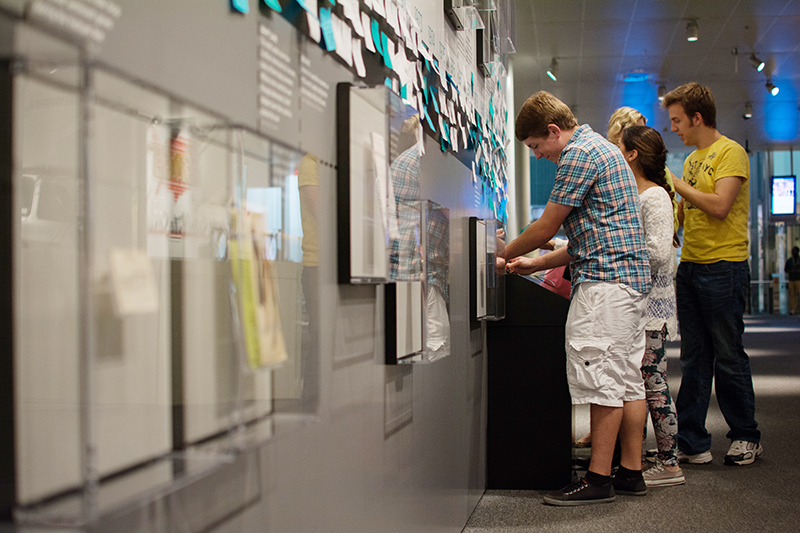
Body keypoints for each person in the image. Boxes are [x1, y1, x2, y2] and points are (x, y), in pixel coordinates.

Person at [499, 91, 651, 505]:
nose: (536, 156)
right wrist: (535, 264)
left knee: (601, 380)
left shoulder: (579, 154)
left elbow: (547, 225)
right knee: (625, 379)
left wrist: (503, 253)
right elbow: (590, 235)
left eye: (535, 147)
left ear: (553, 131)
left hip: (606, 284)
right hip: (627, 282)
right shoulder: (601, 148)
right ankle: (630, 472)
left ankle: (598, 480)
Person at [662, 82, 762, 466]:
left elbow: (720, 206)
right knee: (694, 357)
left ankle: (746, 435)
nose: (674, 128)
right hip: (692, 266)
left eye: (677, 120)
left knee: (728, 355)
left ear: (697, 118)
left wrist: (678, 185)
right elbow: (687, 213)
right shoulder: (691, 159)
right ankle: (692, 440)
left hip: (725, 267)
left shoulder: (730, 152)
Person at [617, 125, 684, 487]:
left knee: (654, 385)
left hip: (651, 308)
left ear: (633, 154)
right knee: (639, 384)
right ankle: (637, 458)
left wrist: (618, 256)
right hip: (637, 305)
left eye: (619, 146)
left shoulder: (654, 196)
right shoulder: (637, 193)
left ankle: (670, 463)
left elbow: (660, 255)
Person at [785, 246, 800, 315]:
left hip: (798, 279)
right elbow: (786, 270)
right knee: (792, 295)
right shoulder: (789, 260)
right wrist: (791, 271)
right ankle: (793, 308)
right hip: (791, 279)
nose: (793, 252)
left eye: (794, 251)